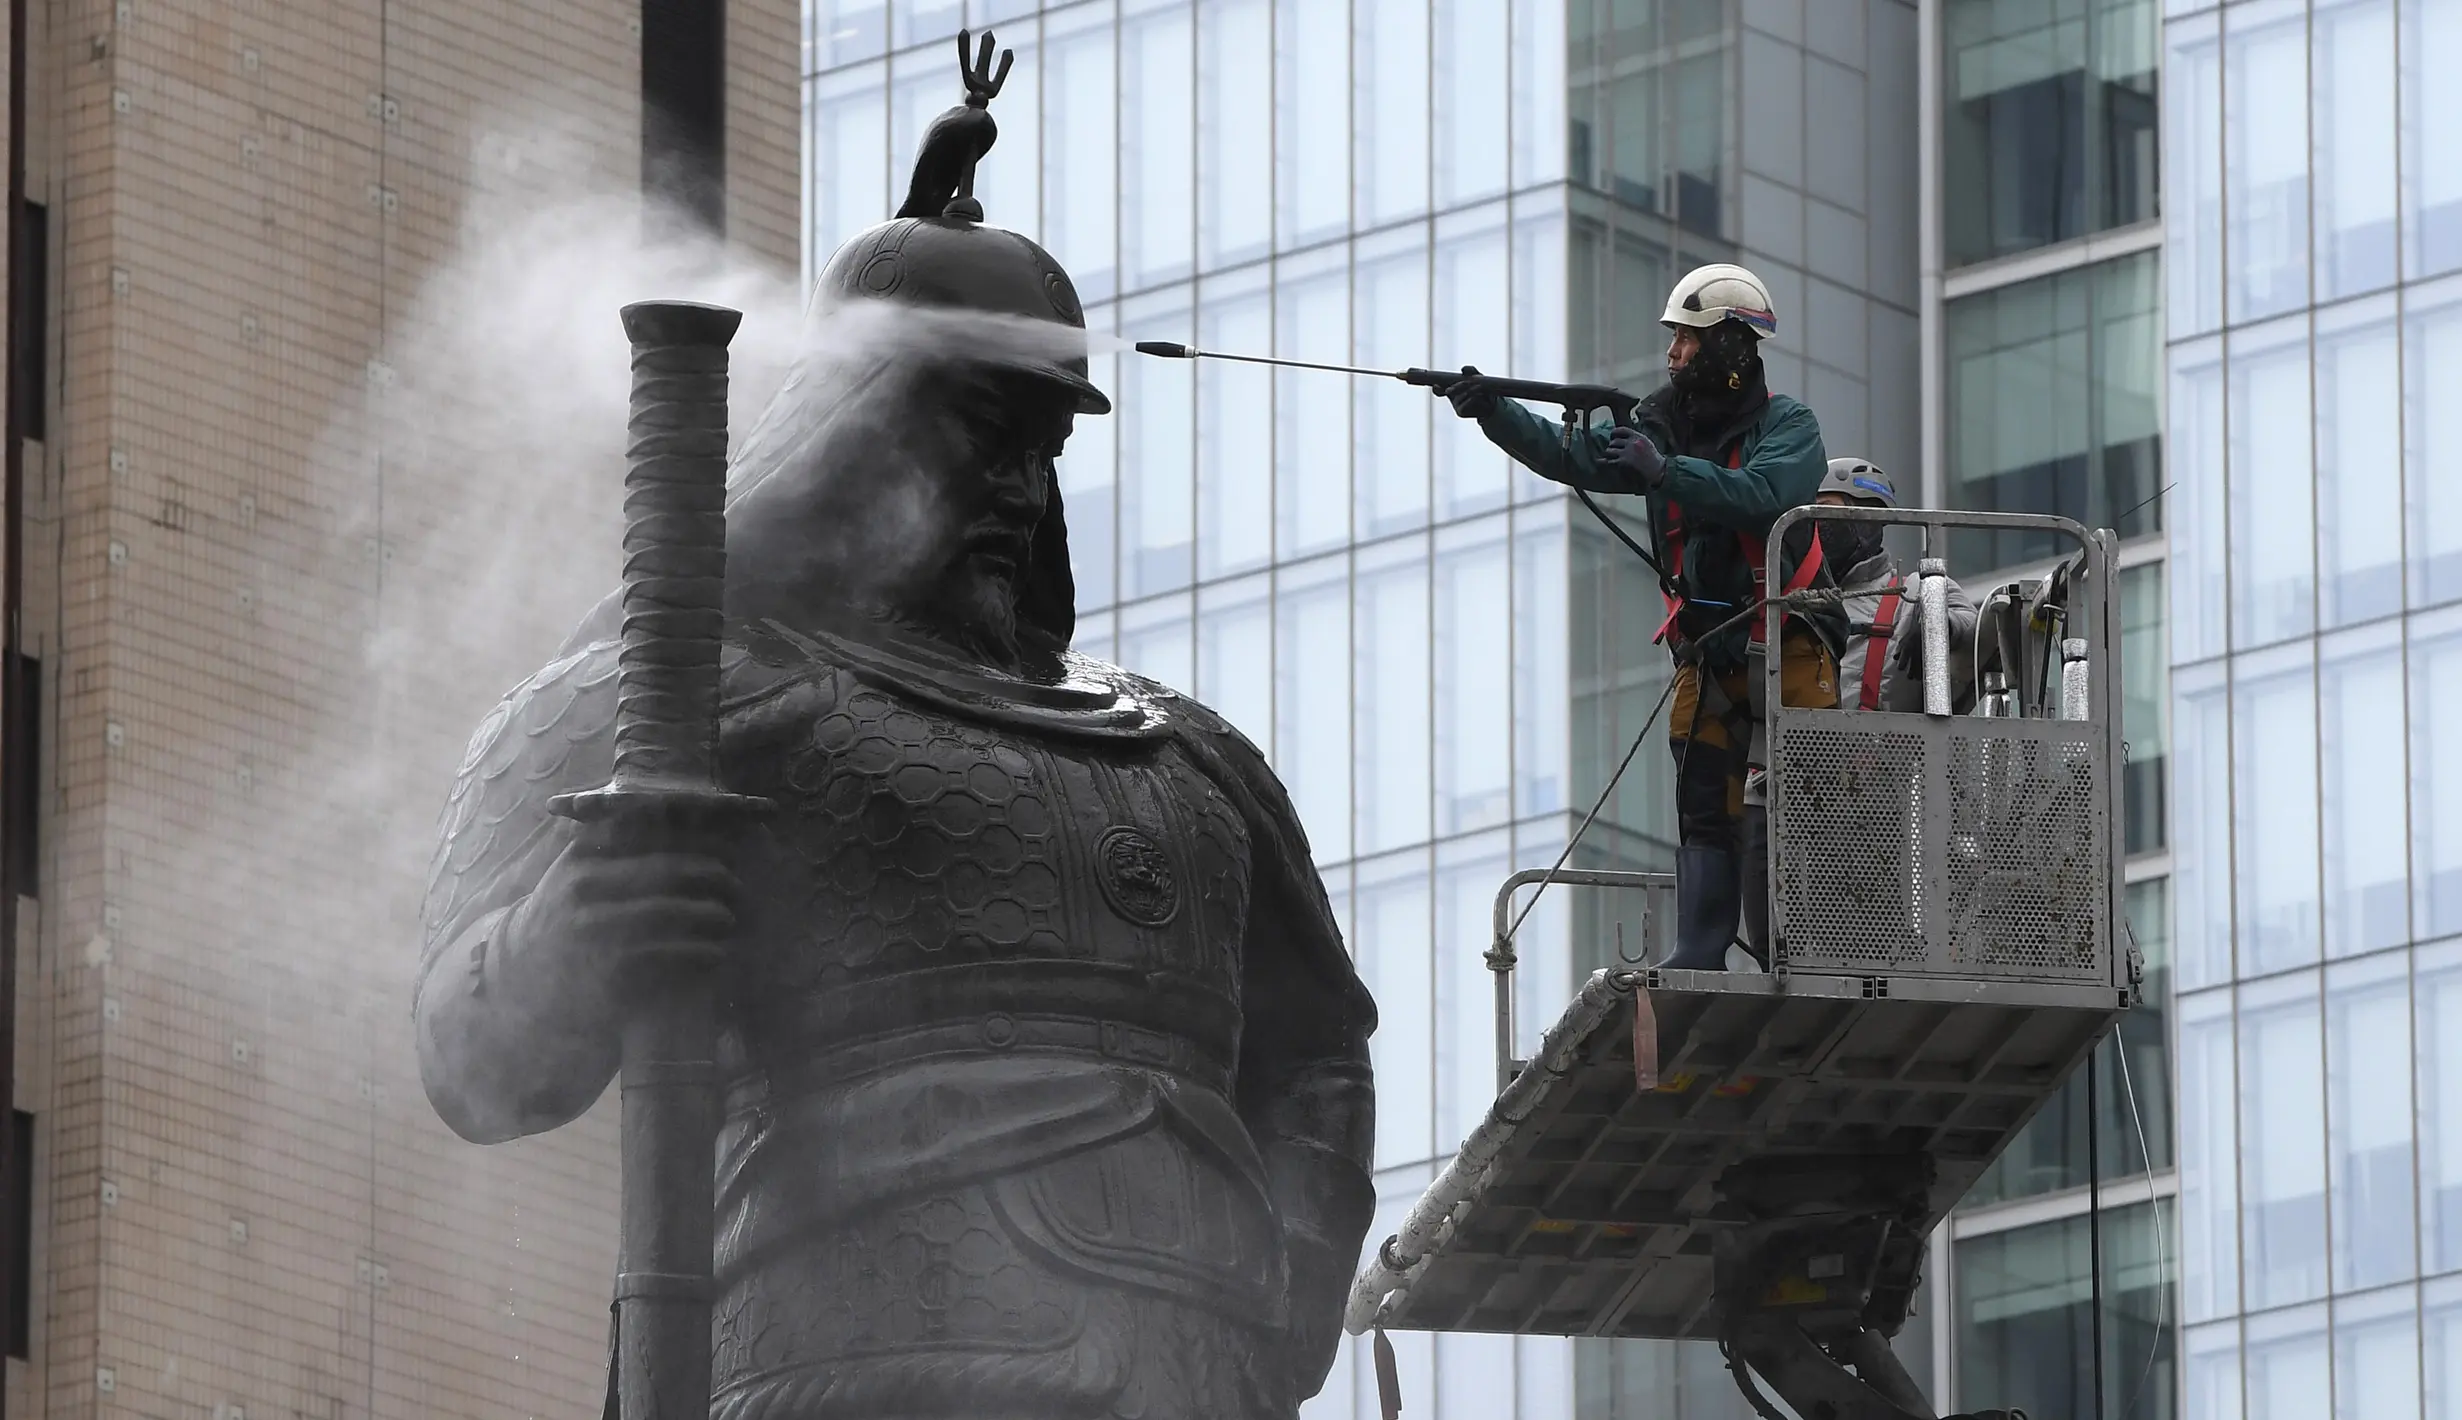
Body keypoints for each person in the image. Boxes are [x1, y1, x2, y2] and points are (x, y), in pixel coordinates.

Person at [413, 40, 1375, 1420]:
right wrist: (583, 912)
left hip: (1185, 1377)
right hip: (846, 1362)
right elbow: (475, 1058)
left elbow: (1314, 1054)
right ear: (850, 430)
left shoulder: (1196, 763)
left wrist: (1275, 1310)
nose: (1013, 486)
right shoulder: (686, 689)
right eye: (979, 430)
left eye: (1042, 447)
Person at [1442, 263, 1841, 971]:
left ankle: (1822, 942)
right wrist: (1493, 411)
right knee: (1703, 799)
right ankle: (1702, 949)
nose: (1675, 352)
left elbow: (1764, 493)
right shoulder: (1660, 424)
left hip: (1790, 637)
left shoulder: (1789, 426)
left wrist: (1666, 472)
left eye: (1689, 339)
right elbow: (1574, 455)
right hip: (1708, 650)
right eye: (1676, 340)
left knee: (1815, 794)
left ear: (1730, 345)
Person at [1816, 458, 1979, 714]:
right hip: (1801, 750)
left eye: (1824, 510)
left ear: (1865, 519)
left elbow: (1978, 632)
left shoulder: (1916, 593)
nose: (1814, 524)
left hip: (1890, 751)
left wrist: (1938, 624)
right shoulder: (1794, 597)